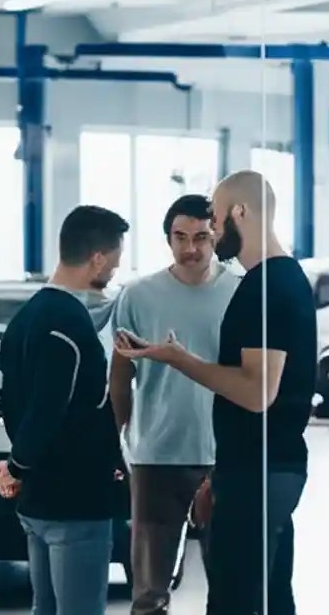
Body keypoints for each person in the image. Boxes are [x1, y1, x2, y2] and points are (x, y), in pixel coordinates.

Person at [115, 170, 315, 615]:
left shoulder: (264, 287)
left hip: (259, 475)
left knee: (235, 600)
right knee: (269, 598)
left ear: (240, 212)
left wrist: (179, 358)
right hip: (256, 469)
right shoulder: (280, 280)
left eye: (218, 222)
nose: (214, 233)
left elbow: (257, 393)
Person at [0, 205, 129, 615]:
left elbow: (13, 405)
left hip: (39, 502)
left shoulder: (24, 318)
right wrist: (17, 465)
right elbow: (49, 409)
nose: (113, 273)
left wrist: (20, 465)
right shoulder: (68, 322)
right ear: (97, 257)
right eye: (114, 264)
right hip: (76, 502)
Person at [109, 194, 239, 615]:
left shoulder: (240, 293)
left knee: (229, 584)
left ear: (215, 236)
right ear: (168, 239)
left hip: (224, 455)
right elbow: (121, 375)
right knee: (149, 591)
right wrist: (119, 438)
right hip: (155, 455)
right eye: (180, 237)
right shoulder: (138, 295)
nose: (190, 249)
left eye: (201, 237)